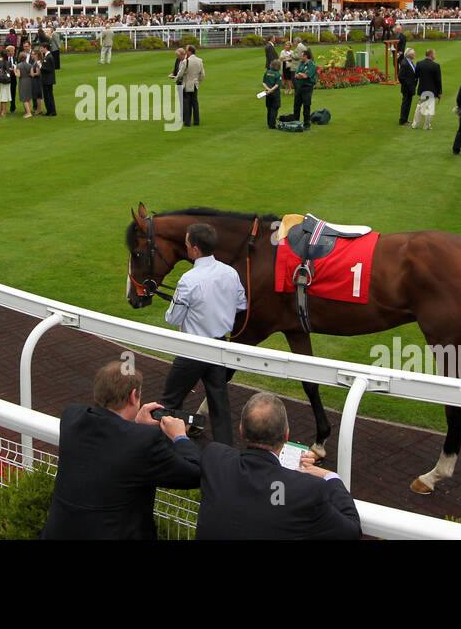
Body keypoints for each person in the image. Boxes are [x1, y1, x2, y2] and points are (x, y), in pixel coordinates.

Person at [42, 360, 200, 540]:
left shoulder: (72, 417)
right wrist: (180, 436)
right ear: (133, 396)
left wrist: (135, 425)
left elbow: (112, 441)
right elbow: (194, 473)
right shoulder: (145, 440)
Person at [196, 392, 360, 540]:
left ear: (241, 431)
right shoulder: (310, 490)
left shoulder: (214, 457)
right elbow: (352, 531)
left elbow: (259, 481)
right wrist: (331, 477)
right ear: (286, 435)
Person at [158, 223, 244, 445]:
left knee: (169, 402)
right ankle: (226, 453)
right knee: (219, 406)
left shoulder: (189, 279)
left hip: (193, 351)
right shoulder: (230, 273)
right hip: (219, 347)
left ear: (195, 250)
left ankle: (164, 450)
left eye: (187, 243)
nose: (185, 246)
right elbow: (241, 304)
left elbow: (172, 318)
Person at [411, 49, 441, 130]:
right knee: (429, 108)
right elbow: (438, 80)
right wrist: (439, 92)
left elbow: (416, 76)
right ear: (431, 55)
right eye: (434, 54)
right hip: (432, 90)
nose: (435, 55)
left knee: (419, 107)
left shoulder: (419, 63)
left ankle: (415, 124)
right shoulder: (436, 66)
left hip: (422, 89)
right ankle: (426, 126)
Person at [177, 45, 204, 127]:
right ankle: (196, 121)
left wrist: (177, 79)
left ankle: (187, 122)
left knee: (187, 103)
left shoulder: (186, 61)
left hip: (187, 84)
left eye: (186, 50)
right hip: (195, 84)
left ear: (190, 52)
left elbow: (180, 73)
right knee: (195, 103)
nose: (186, 52)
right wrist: (198, 81)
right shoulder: (200, 60)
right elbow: (202, 74)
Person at [292, 47, 317, 129]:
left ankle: (306, 124)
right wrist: (301, 75)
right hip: (299, 87)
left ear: (306, 56)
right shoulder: (301, 64)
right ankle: (296, 122)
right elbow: (296, 74)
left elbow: (306, 76)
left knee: (306, 106)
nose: (301, 57)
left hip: (307, 88)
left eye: (302, 56)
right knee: (296, 105)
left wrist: (301, 75)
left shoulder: (312, 65)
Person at [397, 47, 418, 125]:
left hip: (410, 87)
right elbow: (400, 76)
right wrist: (408, 84)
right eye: (414, 54)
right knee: (405, 104)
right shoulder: (405, 63)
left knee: (408, 104)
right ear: (410, 55)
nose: (415, 55)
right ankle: (402, 120)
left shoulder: (409, 62)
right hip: (407, 88)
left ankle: (405, 119)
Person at [0, 46, 15, 117]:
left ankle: (0, 110)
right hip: (5, 80)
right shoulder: (6, 62)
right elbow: (8, 71)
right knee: (4, 96)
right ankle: (3, 111)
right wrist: (11, 70)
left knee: (2, 94)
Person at [17, 45, 38, 118]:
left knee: (24, 97)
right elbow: (32, 74)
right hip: (29, 80)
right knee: (28, 97)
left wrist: (15, 72)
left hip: (22, 81)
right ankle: (29, 110)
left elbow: (18, 75)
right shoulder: (29, 65)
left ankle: (28, 113)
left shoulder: (18, 65)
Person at [261, 59, 281, 129]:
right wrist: (271, 90)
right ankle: (272, 125)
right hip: (275, 93)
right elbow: (277, 85)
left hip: (267, 93)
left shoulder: (267, 72)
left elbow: (264, 83)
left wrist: (268, 89)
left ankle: (269, 122)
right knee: (274, 108)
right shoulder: (277, 74)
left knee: (269, 108)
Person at [39, 43, 58, 116]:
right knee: (46, 96)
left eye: (42, 48)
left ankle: (52, 111)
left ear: (45, 48)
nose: (41, 49)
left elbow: (49, 69)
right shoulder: (47, 56)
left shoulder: (49, 57)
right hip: (46, 80)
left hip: (48, 80)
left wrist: (40, 67)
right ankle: (49, 111)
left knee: (49, 96)